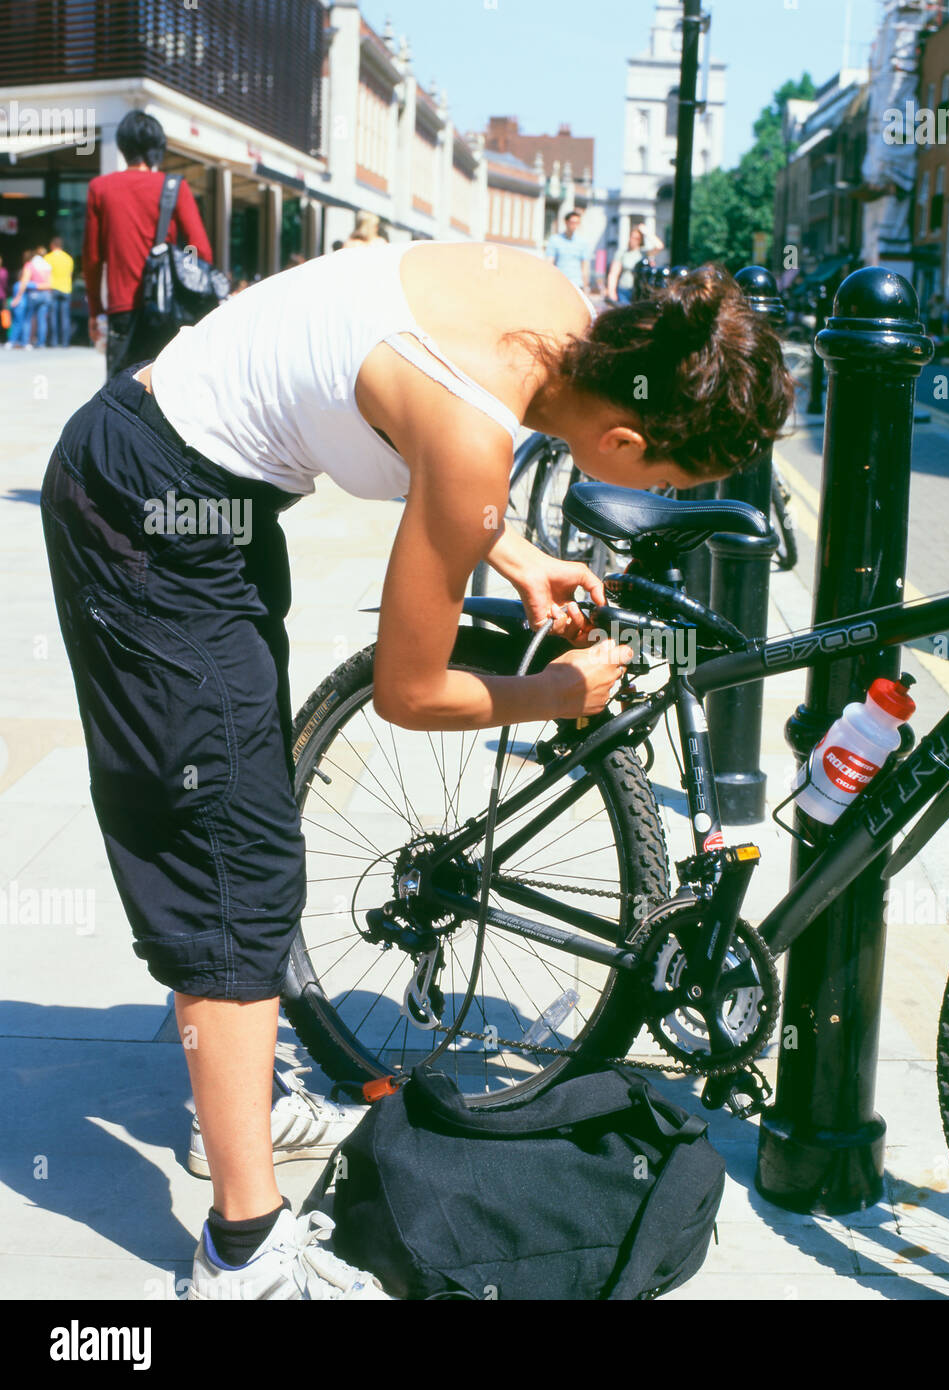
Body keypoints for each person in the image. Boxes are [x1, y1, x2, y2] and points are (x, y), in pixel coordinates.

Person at [40, 241, 793, 1299]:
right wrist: (558, 695)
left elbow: (437, 430)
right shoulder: (477, 432)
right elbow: (410, 690)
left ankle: (236, 1116)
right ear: (622, 438)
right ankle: (242, 1250)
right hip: (143, 506)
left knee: (240, 822)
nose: (656, 498)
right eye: (667, 479)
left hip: (201, 483)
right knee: (231, 859)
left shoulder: (556, 309)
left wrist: (515, 554)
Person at [82, 109, 214, 377]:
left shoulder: (100, 188)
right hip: (166, 311)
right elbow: (199, 249)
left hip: (122, 309)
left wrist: (96, 311)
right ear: (157, 147)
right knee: (163, 390)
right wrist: (182, 270)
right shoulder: (174, 187)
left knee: (121, 392)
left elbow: (93, 258)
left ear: (122, 146)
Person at [607, 224, 664, 305]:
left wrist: (647, 232)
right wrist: (611, 291)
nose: (634, 240)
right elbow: (613, 274)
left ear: (640, 240)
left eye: (637, 238)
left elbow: (659, 246)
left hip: (638, 291)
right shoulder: (622, 253)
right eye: (632, 237)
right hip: (624, 289)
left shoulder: (644, 253)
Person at [545, 209, 591, 293]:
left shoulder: (583, 243)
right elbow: (549, 262)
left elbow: (585, 267)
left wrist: (586, 286)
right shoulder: (555, 240)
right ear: (566, 222)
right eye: (572, 222)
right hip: (560, 283)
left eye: (577, 223)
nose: (574, 226)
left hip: (577, 284)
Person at [47, 235, 74, 346]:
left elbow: (45, 274)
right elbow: (70, 274)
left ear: (52, 246)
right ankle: (65, 342)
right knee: (65, 317)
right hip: (66, 289)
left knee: (53, 316)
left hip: (53, 288)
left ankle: (54, 342)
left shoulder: (48, 257)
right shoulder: (68, 258)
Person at [5, 249, 35, 349]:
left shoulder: (17, 285)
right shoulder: (30, 284)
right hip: (28, 303)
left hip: (19, 305)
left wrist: (16, 300)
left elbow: (15, 294)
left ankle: (12, 341)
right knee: (27, 323)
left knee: (17, 322)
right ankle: (25, 342)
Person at [25, 245, 53, 348]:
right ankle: (41, 342)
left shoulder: (31, 264)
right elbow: (50, 283)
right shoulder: (47, 265)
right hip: (45, 294)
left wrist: (33, 285)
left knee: (30, 318)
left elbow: (26, 281)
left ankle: (28, 341)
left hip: (34, 294)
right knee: (42, 320)